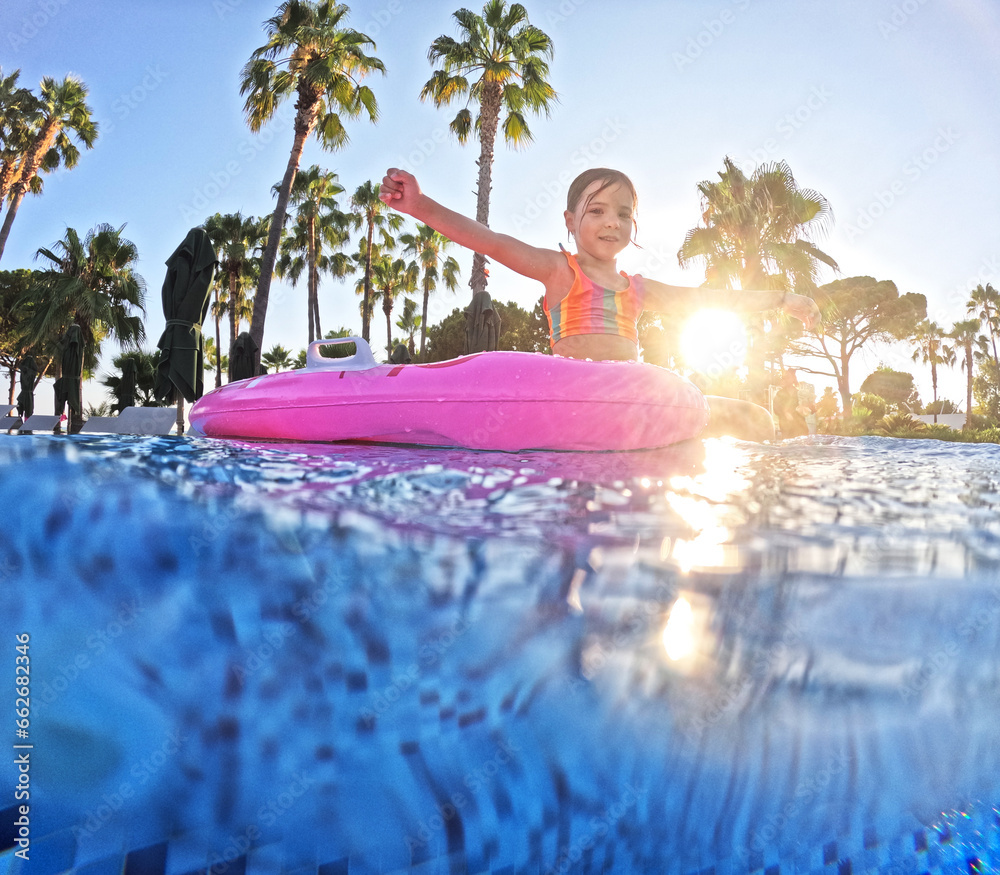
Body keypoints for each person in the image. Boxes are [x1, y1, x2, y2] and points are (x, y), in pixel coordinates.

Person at [378, 166, 822, 441]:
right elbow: (490, 241)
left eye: (624, 213)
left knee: (756, 419)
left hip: (631, 399)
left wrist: (782, 298)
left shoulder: (639, 288)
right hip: (571, 398)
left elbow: (709, 299)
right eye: (597, 211)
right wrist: (419, 205)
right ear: (570, 221)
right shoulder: (559, 270)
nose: (612, 222)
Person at [773, 369, 809, 438]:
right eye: (785, 378)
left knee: (801, 444)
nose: (786, 379)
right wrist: (785, 413)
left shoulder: (799, 393)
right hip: (786, 426)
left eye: (788, 377)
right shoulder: (780, 393)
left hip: (800, 425)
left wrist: (805, 407)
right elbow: (776, 408)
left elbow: (806, 408)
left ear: (793, 378)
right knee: (788, 444)